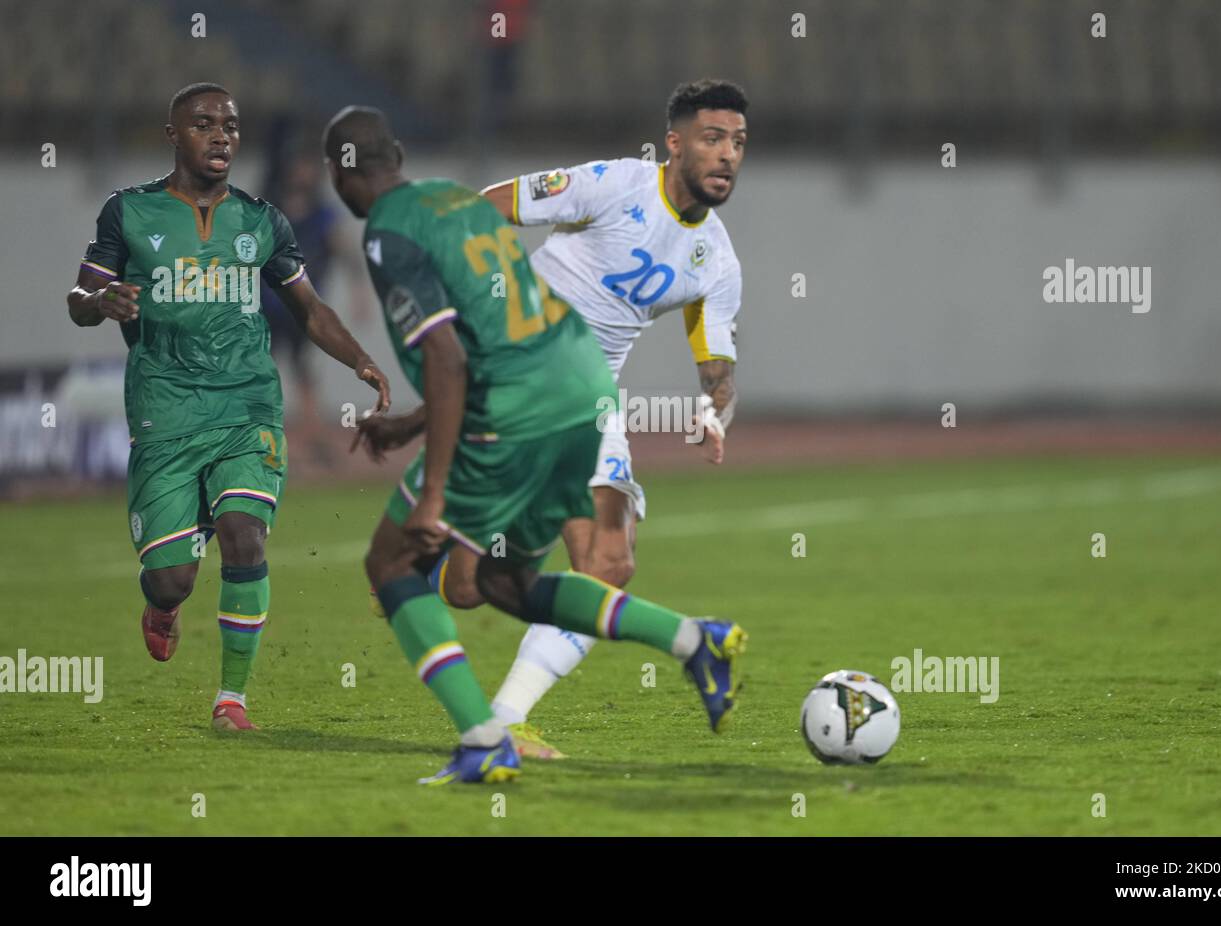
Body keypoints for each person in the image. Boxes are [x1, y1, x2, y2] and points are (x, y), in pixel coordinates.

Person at [324, 104, 746, 784]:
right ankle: (695, 640)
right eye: (714, 138)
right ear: (676, 143)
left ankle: (493, 726)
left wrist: (714, 408)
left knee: (583, 559)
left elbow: (450, 354)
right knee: (484, 585)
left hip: (528, 396)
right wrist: (419, 419)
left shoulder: (717, 260)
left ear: (339, 177)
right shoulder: (606, 184)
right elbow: (498, 229)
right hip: (570, 384)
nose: (728, 154)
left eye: (737, 142)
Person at [67, 83, 390, 730]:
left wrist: (360, 359)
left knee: (246, 537)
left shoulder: (263, 221)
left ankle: (232, 700)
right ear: (173, 135)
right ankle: (161, 607)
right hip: (166, 415)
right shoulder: (128, 212)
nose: (221, 137)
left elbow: (310, 308)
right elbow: (80, 296)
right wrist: (103, 304)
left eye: (231, 127)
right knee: (173, 579)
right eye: (204, 124)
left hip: (248, 409)